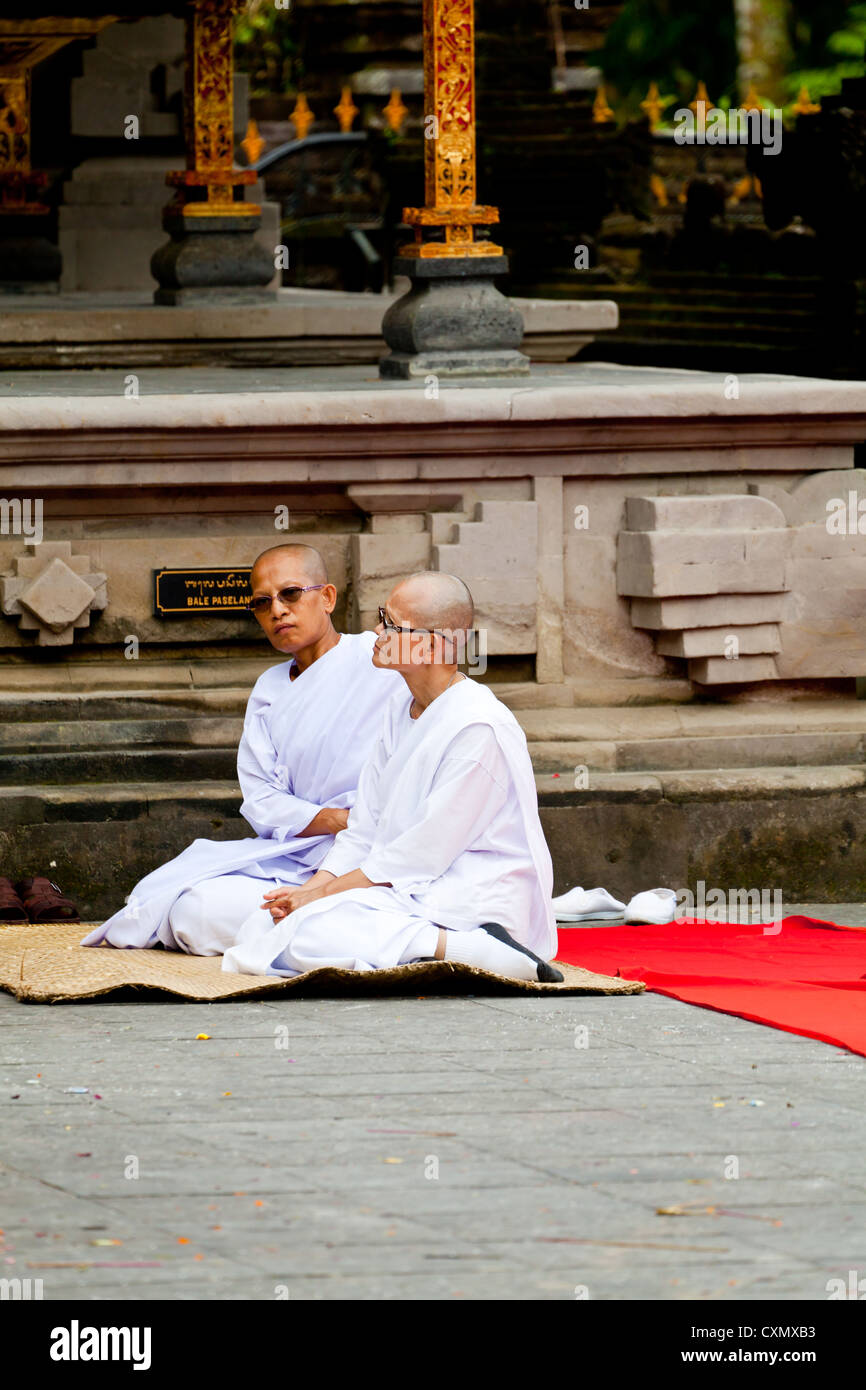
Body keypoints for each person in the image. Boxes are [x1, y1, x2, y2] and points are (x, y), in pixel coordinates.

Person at [222, 571, 562, 984]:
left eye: (391, 624)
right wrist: (314, 887)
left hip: (473, 897)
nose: (377, 631)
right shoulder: (400, 706)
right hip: (409, 888)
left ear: (432, 645)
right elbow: (364, 828)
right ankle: (422, 946)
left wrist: (322, 896)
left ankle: (479, 949)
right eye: (382, 617)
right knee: (263, 928)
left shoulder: (478, 726)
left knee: (309, 934)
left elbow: (424, 854)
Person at [82, 543, 402, 953]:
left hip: (375, 855)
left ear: (327, 597)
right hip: (298, 855)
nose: (278, 611)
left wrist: (367, 825)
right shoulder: (269, 688)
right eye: (262, 602)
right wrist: (336, 820)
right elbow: (261, 799)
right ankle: (331, 928)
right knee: (193, 913)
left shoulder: (377, 660)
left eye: (290, 594)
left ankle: (353, 927)